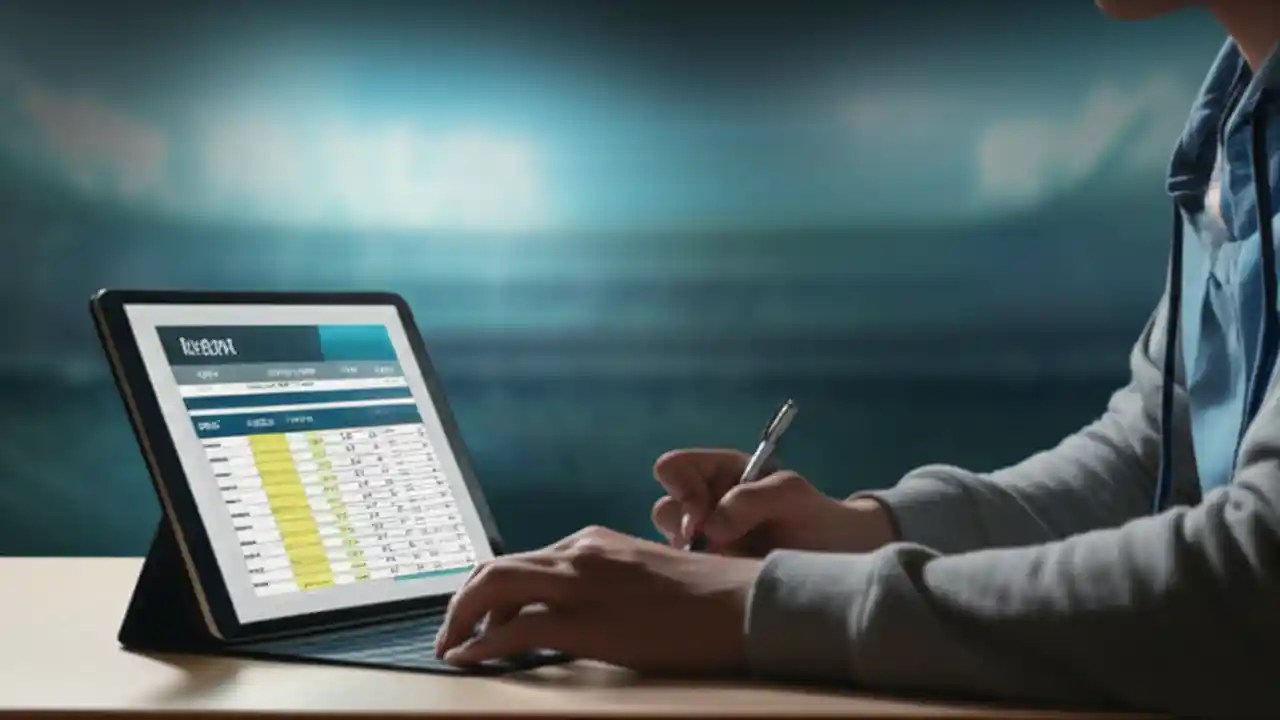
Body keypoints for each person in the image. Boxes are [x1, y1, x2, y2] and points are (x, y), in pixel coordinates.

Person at [435, 1, 1280, 714]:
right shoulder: (1232, 138)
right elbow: (1143, 468)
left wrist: (749, 607)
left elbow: (1256, 587)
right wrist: (861, 531)